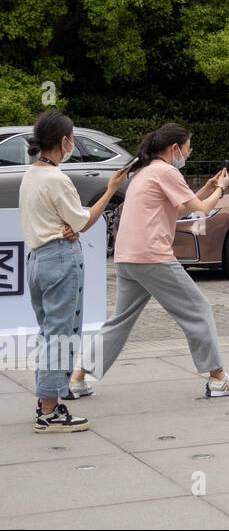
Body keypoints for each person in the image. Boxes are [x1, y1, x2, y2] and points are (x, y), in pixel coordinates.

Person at [68, 123, 229, 398]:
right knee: (198, 311)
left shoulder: (146, 172)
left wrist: (207, 189)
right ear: (174, 148)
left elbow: (177, 210)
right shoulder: (167, 171)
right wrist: (221, 189)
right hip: (152, 256)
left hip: (128, 257)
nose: (189, 152)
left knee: (119, 320)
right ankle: (218, 378)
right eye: (188, 147)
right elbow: (200, 210)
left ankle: (77, 379)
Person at [18, 110, 128, 432]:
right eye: (73, 139)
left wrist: (70, 226)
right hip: (60, 259)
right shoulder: (57, 179)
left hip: (36, 259)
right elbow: (83, 221)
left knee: (48, 332)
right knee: (61, 335)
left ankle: (46, 399)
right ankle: (50, 410)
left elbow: (67, 221)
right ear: (64, 141)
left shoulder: (31, 174)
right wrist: (110, 191)